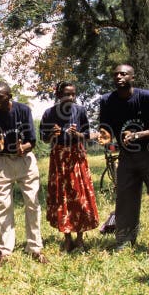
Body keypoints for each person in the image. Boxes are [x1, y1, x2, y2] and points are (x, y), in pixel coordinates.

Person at [96, 64, 149, 261]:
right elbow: (106, 129)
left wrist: (138, 134)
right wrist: (104, 136)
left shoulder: (146, 97)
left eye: (124, 73)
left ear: (132, 77)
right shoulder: (107, 100)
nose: (119, 76)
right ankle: (124, 241)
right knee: (125, 198)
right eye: (116, 74)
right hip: (127, 156)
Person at [0, 82, 47, 266]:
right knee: (3, 206)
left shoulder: (23, 110)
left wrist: (21, 148)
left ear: (9, 96)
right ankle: (5, 251)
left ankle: (35, 248)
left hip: (25, 161)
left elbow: (31, 141)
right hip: (3, 162)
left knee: (32, 203)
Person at [39, 82, 99, 252]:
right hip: (59, 158)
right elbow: (44, 138)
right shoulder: (49, 113)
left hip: (76, 156)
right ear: (58, 95)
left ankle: (80, 238)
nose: (70, 98)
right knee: (62, 196)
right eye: (66, 94)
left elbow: (87, 134)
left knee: (79, 195)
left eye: (73, 94)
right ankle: (67, 238)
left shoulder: (79, 111)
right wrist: (53, 134)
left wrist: (77, 134)